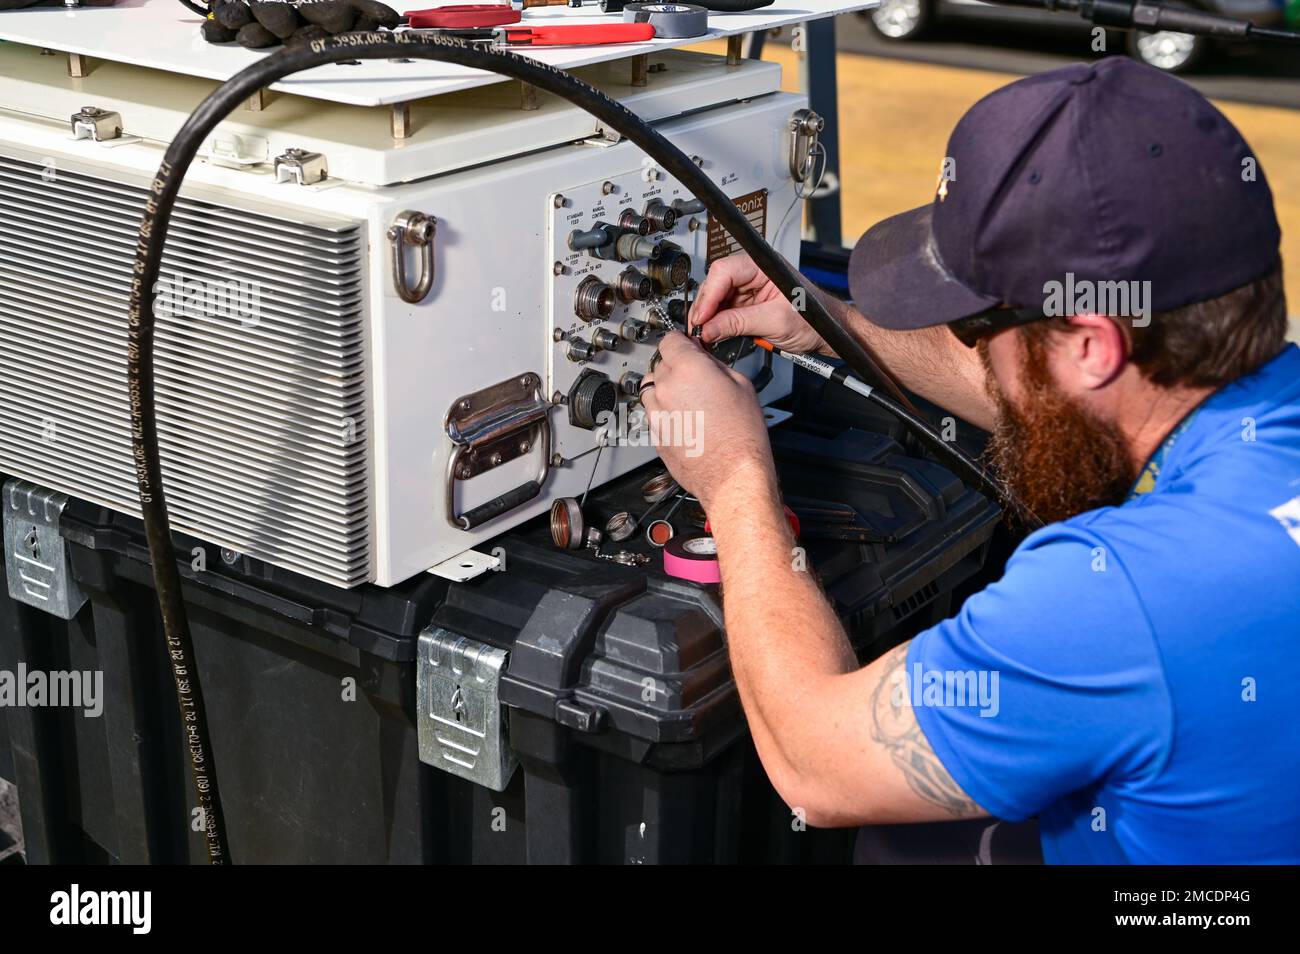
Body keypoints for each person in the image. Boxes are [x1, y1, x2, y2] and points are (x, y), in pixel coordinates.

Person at [638, 56, 1300, 864]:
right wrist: (826, 322)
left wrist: (735, 477)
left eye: (979, 329)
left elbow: (817, 765)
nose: (974, 353)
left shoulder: (1119, 605)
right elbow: (1069, 412)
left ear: (1094, 344)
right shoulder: (1258, 401)